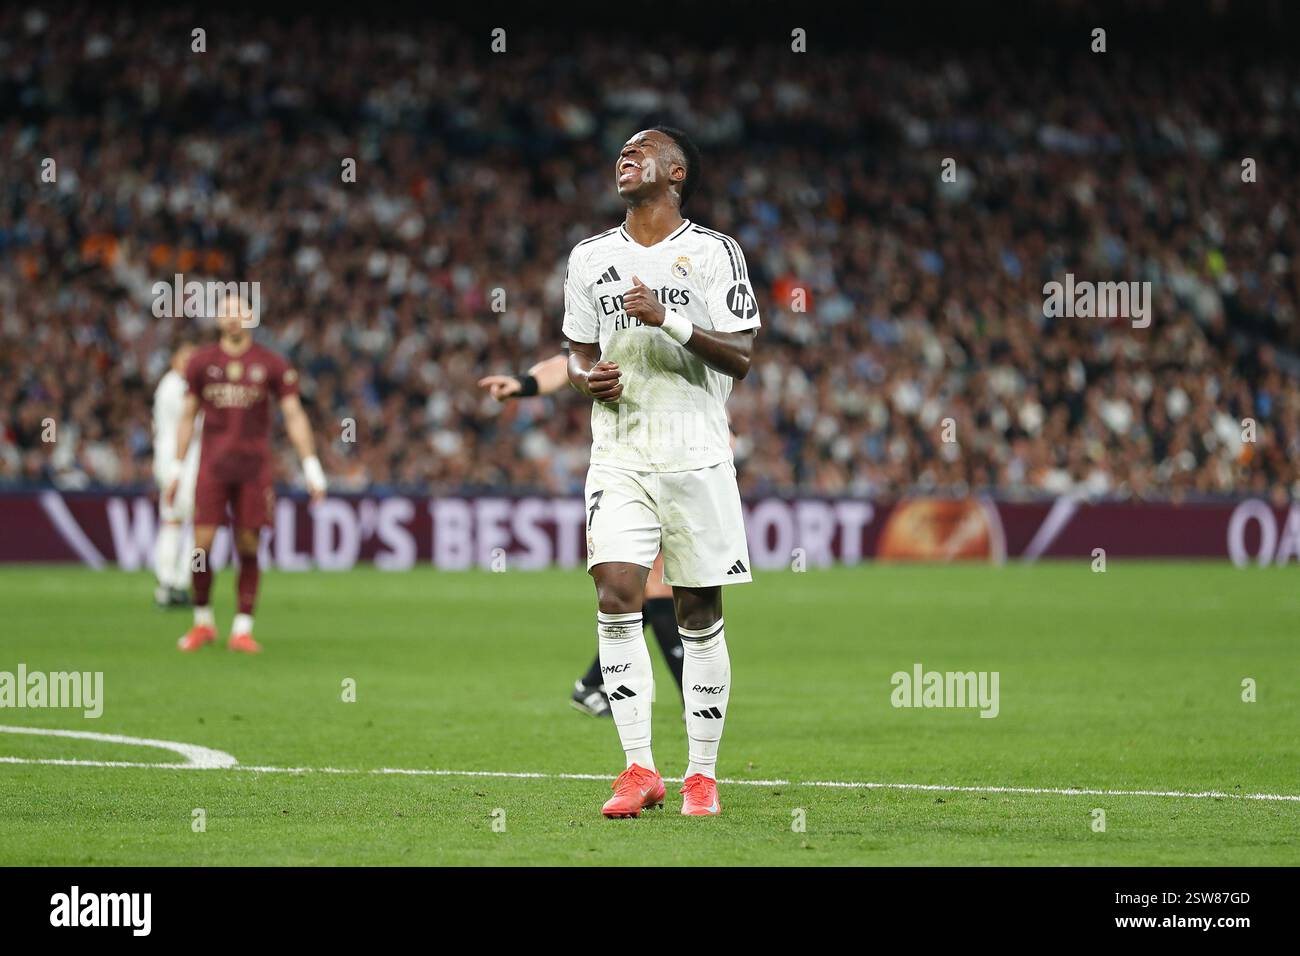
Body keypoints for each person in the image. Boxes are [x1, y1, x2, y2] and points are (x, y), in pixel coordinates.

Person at [561, 127, 760, 817]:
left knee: (698, 611)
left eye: (640, 148)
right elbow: (577, 350)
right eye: (619, 149)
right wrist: (589, 378)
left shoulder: (712, 252)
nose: (624, 154)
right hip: (618, 453)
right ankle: (638, 767)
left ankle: (700, 775)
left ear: (675, 171)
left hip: (695, 453)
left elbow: (740, 355)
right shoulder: (590, 258)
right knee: (617, 592)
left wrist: (667, 319)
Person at [478, 356, 684, 717]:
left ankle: (591, 684)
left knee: (648, 585)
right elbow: (567, 360)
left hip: (675, 463)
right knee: (654, 580)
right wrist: (525, 384)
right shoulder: (615, 317)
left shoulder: (675, 323)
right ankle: (691, 698)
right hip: (626, 468)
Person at [167, 294, 327, 654]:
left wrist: (312, 467)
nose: (232, 318)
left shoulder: (271, 364)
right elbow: (187, 415)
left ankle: (242, 627)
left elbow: (294, 415)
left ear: (251, 316)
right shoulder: (201, 363)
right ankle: (202, 621)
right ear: (218, 318)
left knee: (249, 544)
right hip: (212, 469)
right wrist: (176, 468)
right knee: (201, 547)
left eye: (239, 312)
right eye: (226, 312)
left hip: (254, 471)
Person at [152, 341, 200, 607]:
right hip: (181, 463)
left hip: (169, 461)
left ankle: (167, 583)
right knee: (196, 522)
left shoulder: (166, 385)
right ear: (174, 361)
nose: (191, 363)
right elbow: (193, 422)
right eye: (186, 358)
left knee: (172, 522)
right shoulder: (177, 386)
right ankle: (183, 581)